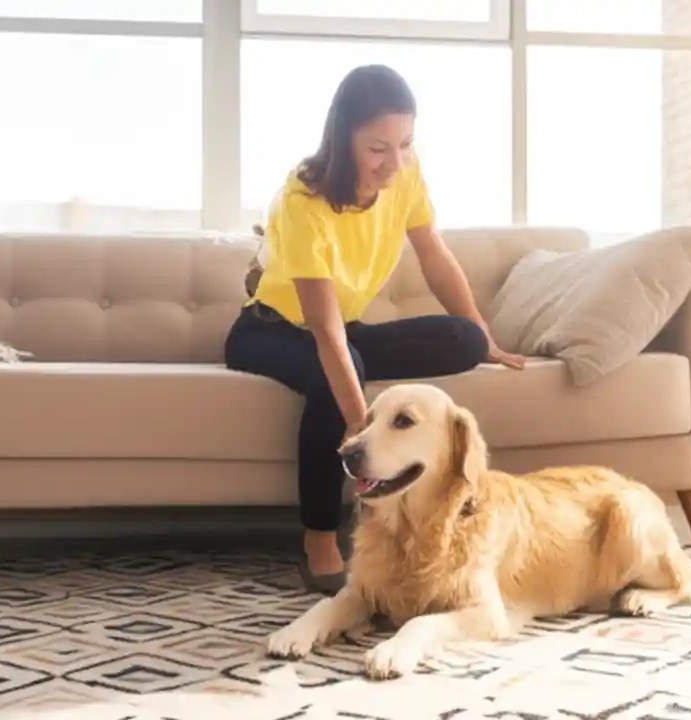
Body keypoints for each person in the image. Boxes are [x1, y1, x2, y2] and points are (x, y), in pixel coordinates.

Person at [225, 64, 526, 594]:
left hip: (345, 329)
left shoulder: (405, 175)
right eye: (378, 148)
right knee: (337, 374)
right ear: (344, 141)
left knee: (465, 340)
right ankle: (320, 538)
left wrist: (486, 335)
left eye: (404, 144)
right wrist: (360, 428)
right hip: (269, 331)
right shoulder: (303, 200)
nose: (394, 163)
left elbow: (433, 253)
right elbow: (324, 329)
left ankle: (474, 337)